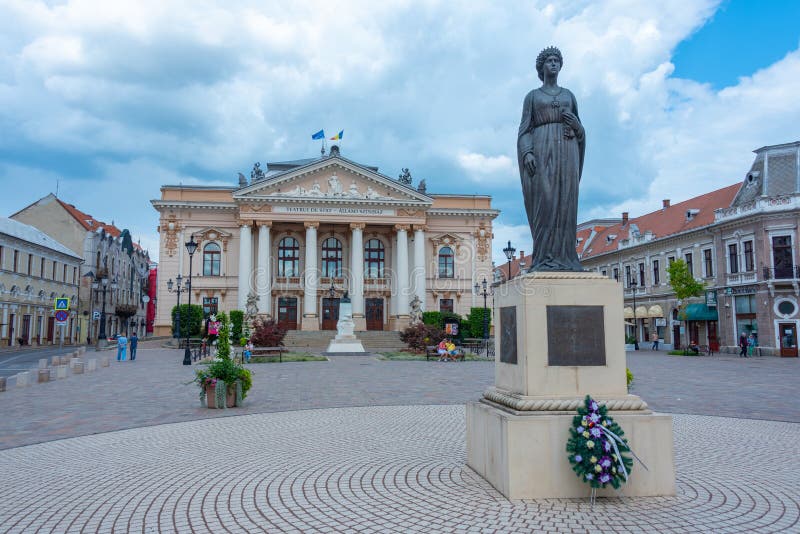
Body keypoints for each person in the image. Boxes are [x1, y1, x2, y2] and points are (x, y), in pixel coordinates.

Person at [517, 46, 585, 272]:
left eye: (557, 60)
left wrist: (576, 126)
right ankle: (544, 257)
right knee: (545, 203)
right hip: (542, 149)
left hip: (568, 151)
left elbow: (581, 130)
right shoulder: (533, 97)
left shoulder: (569, 95)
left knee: (567, 202)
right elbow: (524, 130)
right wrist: (527, 152)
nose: (554, 64)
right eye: (549, 61)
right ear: (542, 67)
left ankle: (566, 257)